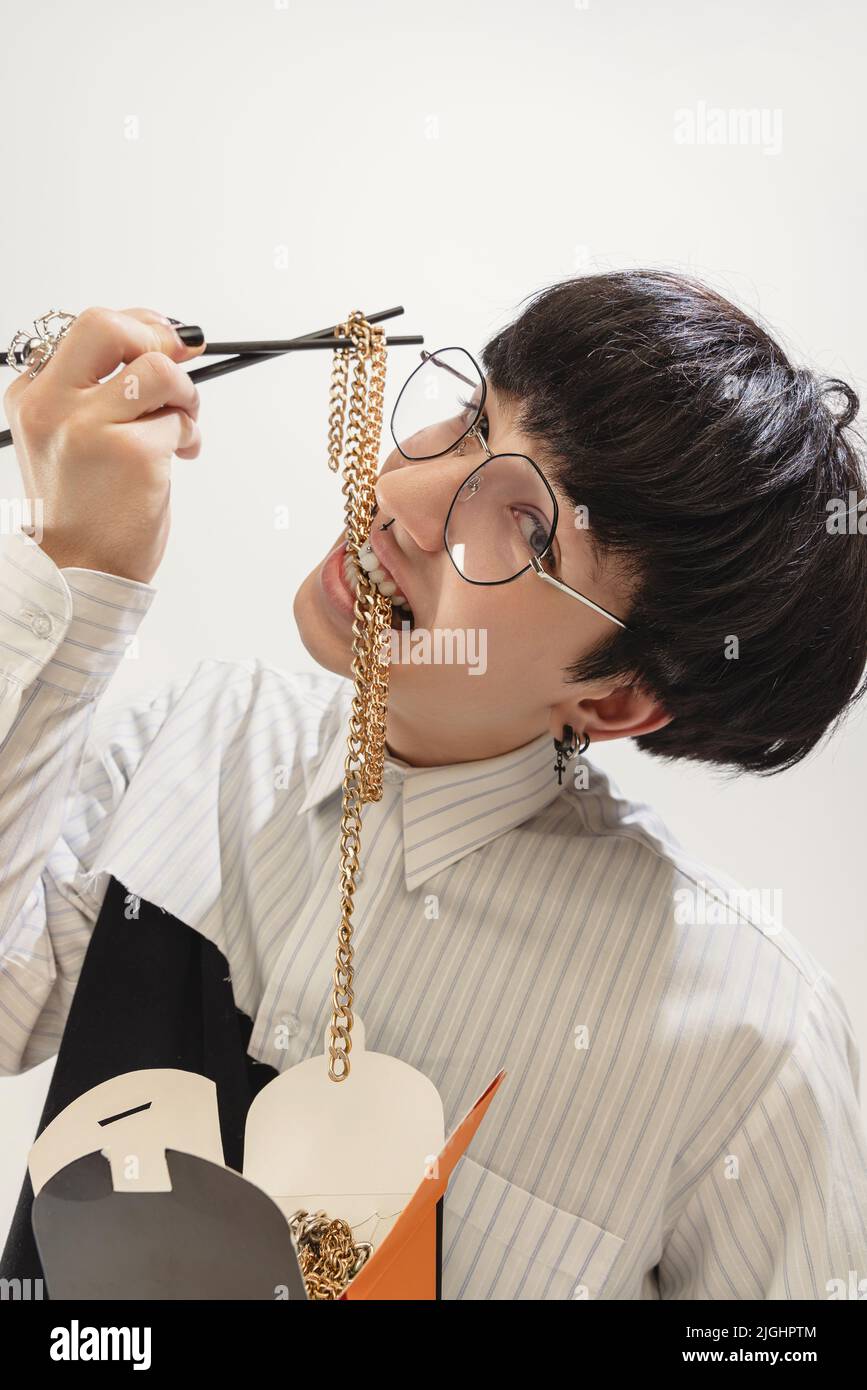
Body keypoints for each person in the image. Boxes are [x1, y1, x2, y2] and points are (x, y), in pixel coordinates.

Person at [1, 272, 866, 1300]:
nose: (402, 499)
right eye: (468, 420)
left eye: (529, 530)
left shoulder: (745, 1041)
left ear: (622, 700)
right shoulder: (197, 737)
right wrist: (80, 570)